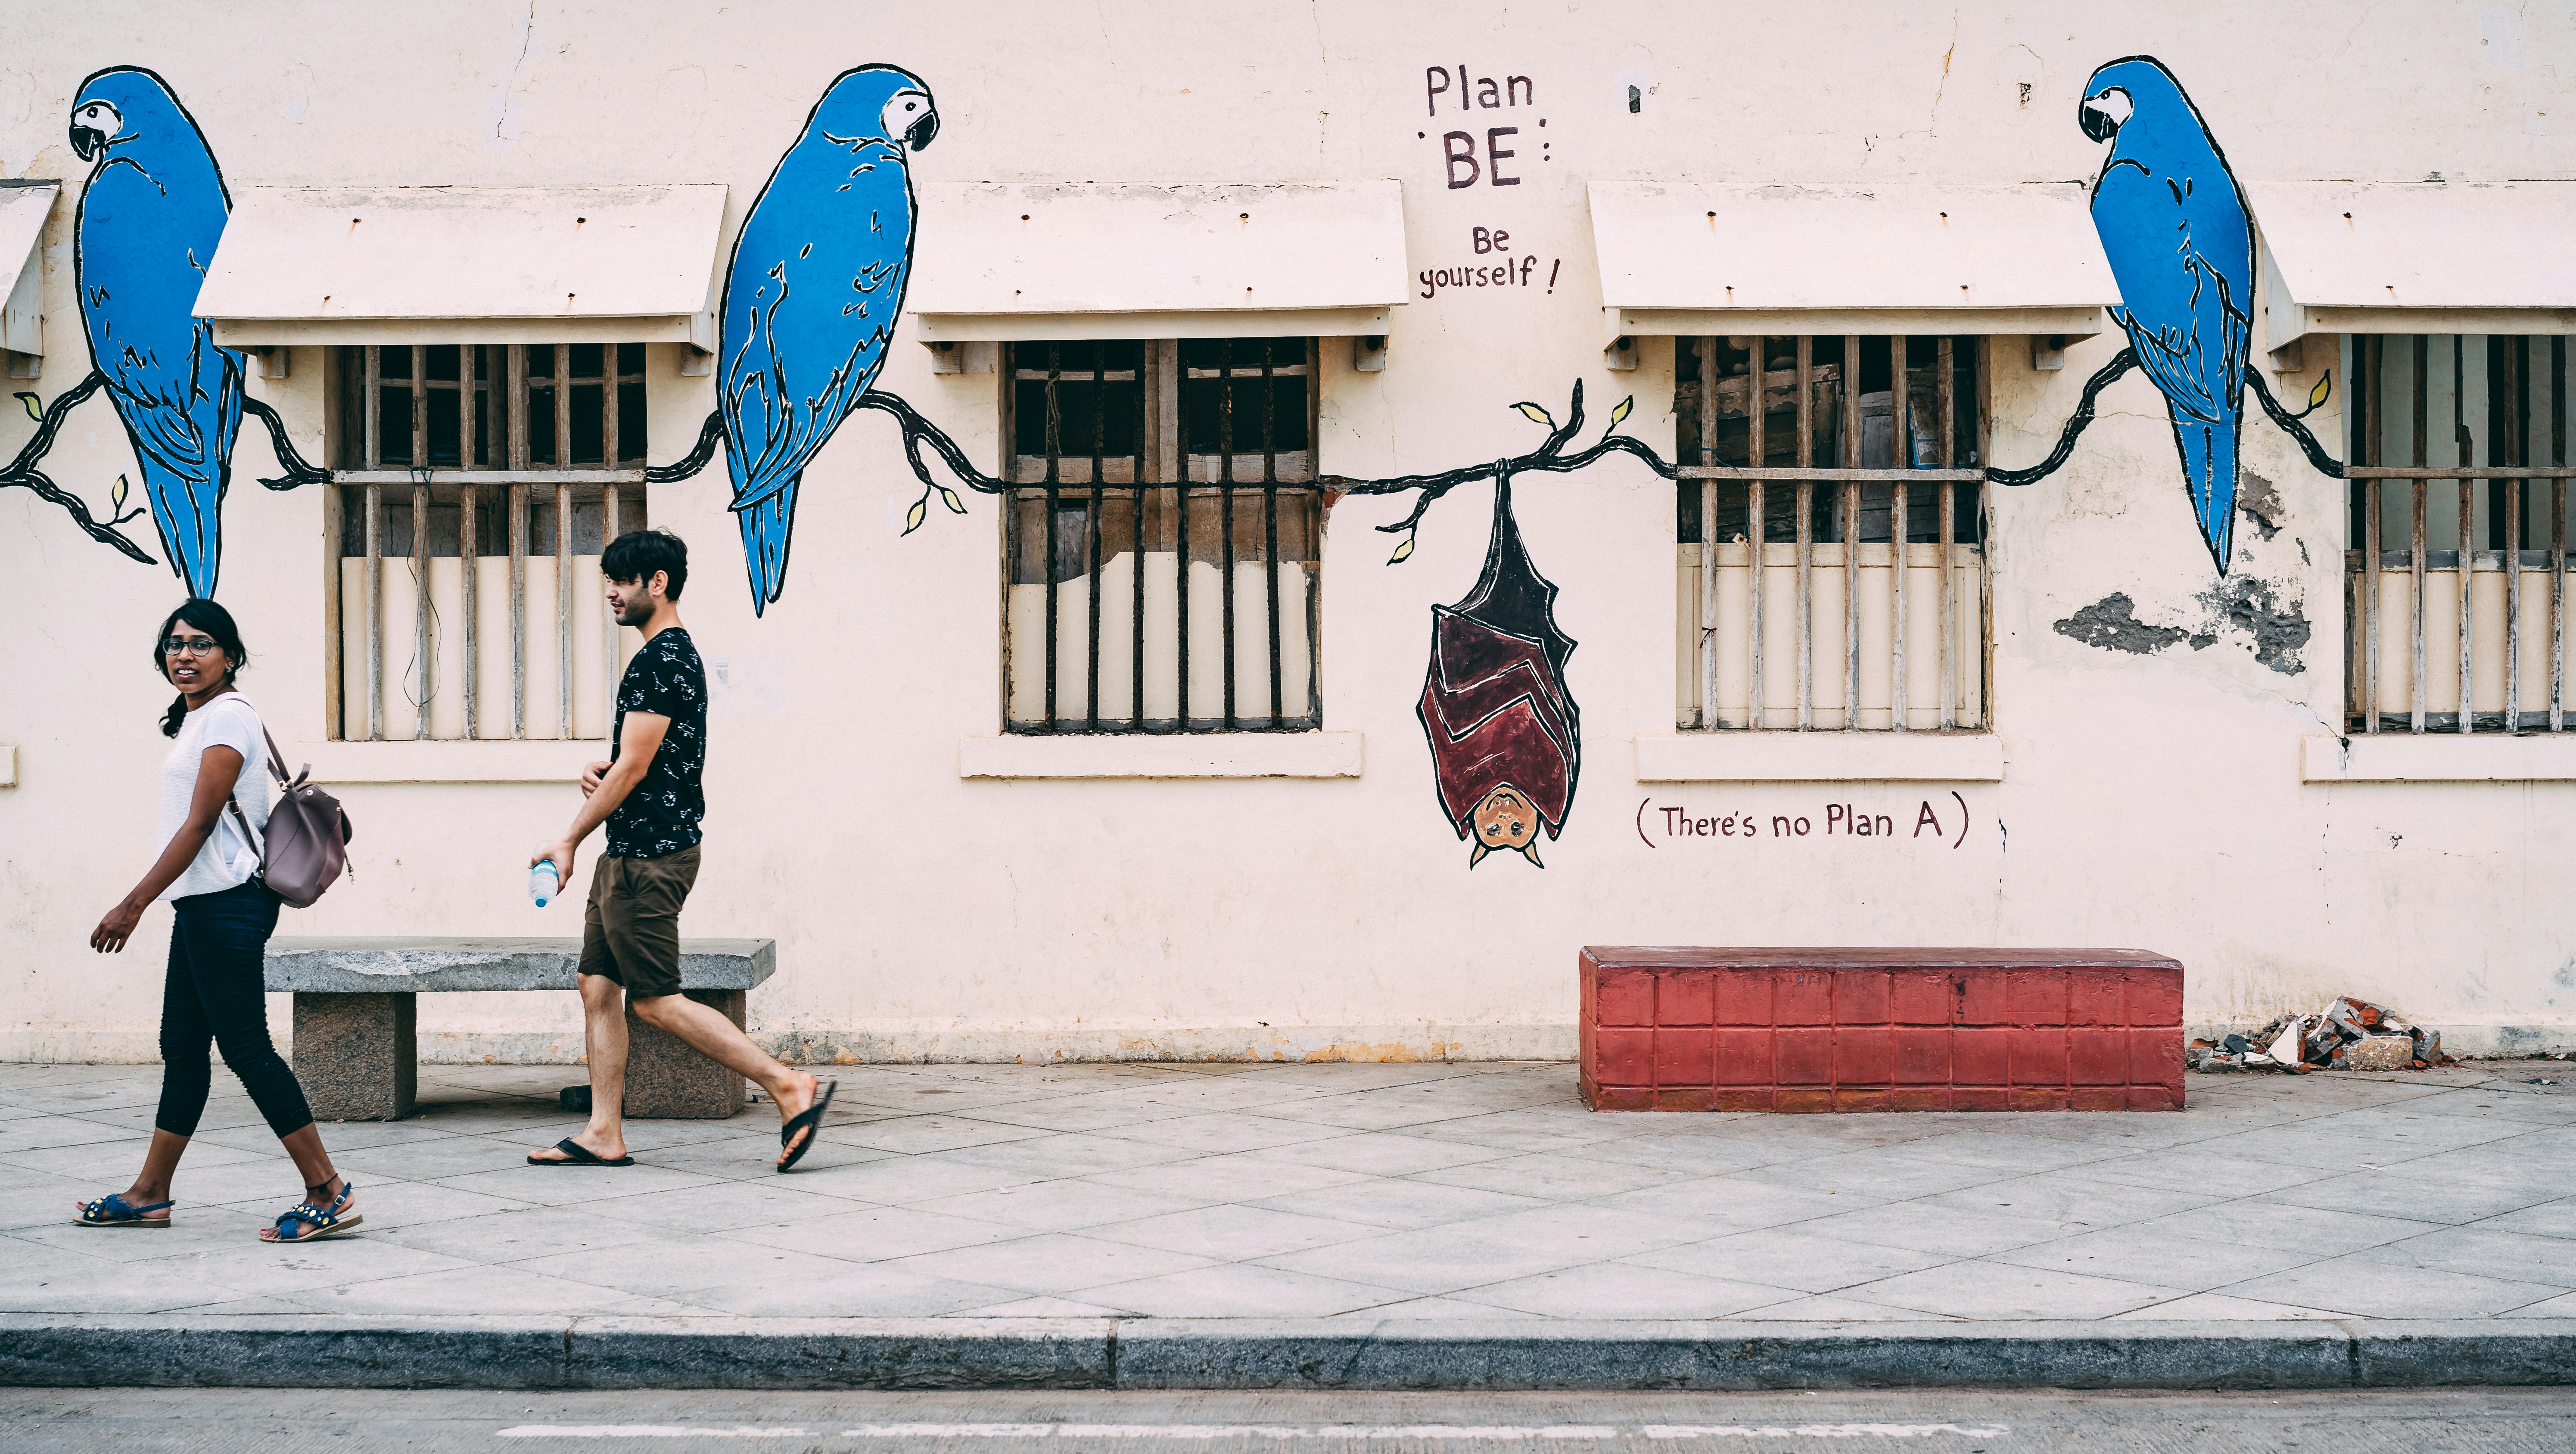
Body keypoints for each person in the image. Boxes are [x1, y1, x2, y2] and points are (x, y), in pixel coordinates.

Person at [526, 529, 833, 1171]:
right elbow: (637, 764)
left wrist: (569, 837)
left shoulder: (661, 660)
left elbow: (636, 770)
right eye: (607, 579)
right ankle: (603, 1132)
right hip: (630, 851)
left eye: (621, 579)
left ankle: (786, 1085)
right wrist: (607, 777)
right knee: (597, 985)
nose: (610, 591)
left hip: (648, 860)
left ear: (656, 583)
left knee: (655, 999)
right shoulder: (665, 658)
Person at [79, 600, 360, 1243]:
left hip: (229, 901)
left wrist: (133, 903)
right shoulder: (198, 718)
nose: (185, 654)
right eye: (175, 644)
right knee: (182, 1048)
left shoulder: (230, 717)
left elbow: (201, 823)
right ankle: (151, 1193)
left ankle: (329, 1189)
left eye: (201, 644)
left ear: (230, 656)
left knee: (244, 1046)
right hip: (203, 903)